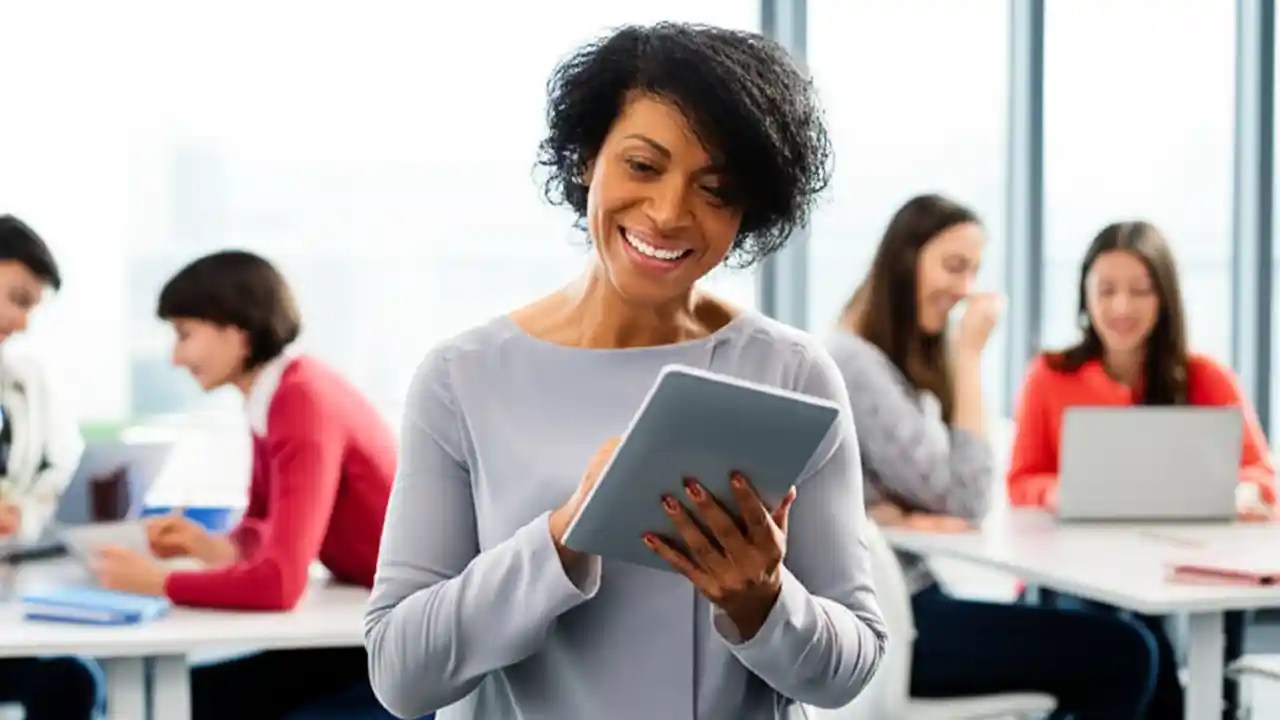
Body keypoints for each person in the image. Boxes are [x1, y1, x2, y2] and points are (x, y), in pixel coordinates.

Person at [364, 22, 886, 720]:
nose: (670, 213)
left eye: (716, 188)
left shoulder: (789, 372)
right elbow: (400, 676)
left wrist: (762, 601)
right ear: (586, 159)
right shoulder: (463, 379)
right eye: (643, 166)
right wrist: (560, 543)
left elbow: (847, 671)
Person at [827, 194, 1160, 718]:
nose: (965, 289)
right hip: (900, 624)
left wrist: (892, 510)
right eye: (954, 267)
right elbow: (966, 497)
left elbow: (948, 492)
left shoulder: (880, 365)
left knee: (1124, 646)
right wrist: (968, 355)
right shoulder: (855, 363)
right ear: (905, 258)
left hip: (915, 607)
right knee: (1127, 652)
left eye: (974, 271)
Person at [90, 250, 397, 719]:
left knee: (195, 703)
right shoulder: (273, 397)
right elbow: (262, 532)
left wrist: (157, 582)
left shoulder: (302, 401)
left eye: (185, 334)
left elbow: (280, 583)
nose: (175, 357)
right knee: (187, 698)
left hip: (409, 655)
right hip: (365, 630)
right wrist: (203, 545)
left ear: (238, 330)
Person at [1008, 220, 1275, 718]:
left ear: (1164, 297)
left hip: (1177, 569)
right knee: (1134, 652)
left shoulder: (1206, 377)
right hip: (1075, 576)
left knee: (1159, 657)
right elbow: (1021, 481)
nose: (1121, 307)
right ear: (1084, 294)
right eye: (1106, 290)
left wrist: (1241, 491)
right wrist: (1059, 492)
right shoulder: (1051, 375)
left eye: (1140, 291)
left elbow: (1263, 477)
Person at [0, 215, 102, 720]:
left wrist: (23, 512)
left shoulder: (20, 380)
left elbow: (52, 475)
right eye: (17, 299)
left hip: (10, 594)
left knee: (71, 678)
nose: (22, 324)